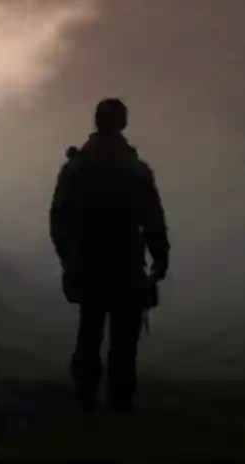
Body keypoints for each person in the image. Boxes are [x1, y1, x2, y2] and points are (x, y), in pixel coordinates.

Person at [50, 98, 169, 411]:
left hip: (88, 261)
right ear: (123, 123)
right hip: (127, 262)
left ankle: (85, 395)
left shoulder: (77, 167)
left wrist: (68, 258)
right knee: (124, 336)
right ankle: (120, 400)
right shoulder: (135, 170)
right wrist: (160, 258)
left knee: (90, 327)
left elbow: (59, 218)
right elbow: (153, 218)